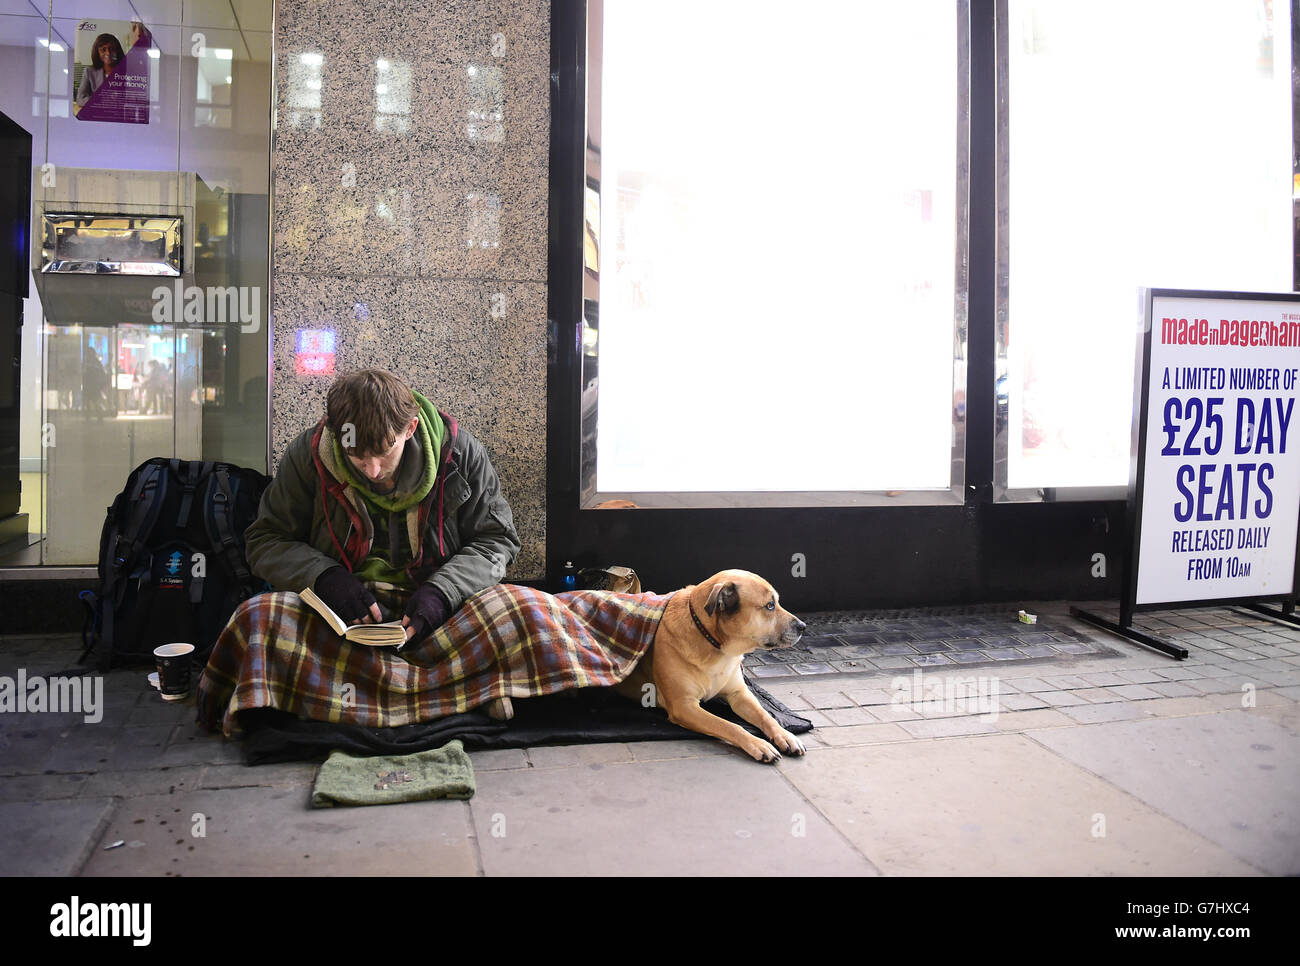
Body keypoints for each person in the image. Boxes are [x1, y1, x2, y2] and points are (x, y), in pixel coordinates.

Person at [243, 368, 520, 645]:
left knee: (524, 611)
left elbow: (497, 541)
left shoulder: (461, 454)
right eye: (358, 457)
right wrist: (324, 577)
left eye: (384, 453)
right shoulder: (308, 455)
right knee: (257, 616)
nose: (373, 471)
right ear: (335, 433)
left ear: (410, 428)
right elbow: (265, 541)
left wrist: (443, 592)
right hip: (337, 615)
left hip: (440, 611)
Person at [76, 32, 126, 108]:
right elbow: (80, 99)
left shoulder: (127, 72)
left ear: (117, 51)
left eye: (111, 49)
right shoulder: (89, 72)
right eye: (103, 50)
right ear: (97, 52)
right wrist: (101, 101)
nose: (108, 53)